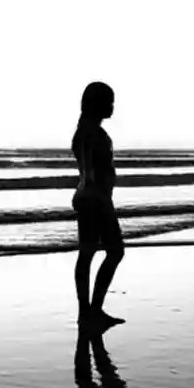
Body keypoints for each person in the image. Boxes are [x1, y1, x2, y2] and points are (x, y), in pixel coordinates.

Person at [72, 81, 125, 327]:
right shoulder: (89, 134)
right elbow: (89, 171)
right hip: (95, 199)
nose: (113, 106)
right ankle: (90, 311)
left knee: (92, 253)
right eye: (109, 100)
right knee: (110, 251)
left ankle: (90, 312)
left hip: (94, 198)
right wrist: (100, 198)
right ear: (97, 103)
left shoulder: (88, 131)